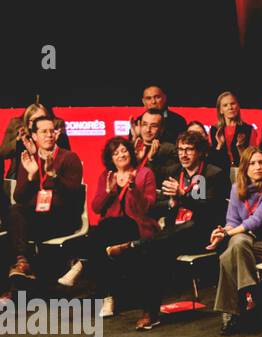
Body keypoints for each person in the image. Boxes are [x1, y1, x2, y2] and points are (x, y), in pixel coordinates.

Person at [133, 131, 230, 331]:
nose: (183, 154)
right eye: (180, 150)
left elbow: (210, 210)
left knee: (159, 241)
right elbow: (156, 202)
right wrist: (170, 203)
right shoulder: (175, 171)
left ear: (200, 152)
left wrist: (182, 196)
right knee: (152, 252)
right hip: (175, 233)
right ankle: (150, 312)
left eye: (189, 150)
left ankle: (135, 245)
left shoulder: (213, 174)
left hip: (204, 233)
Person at [56, 137, 159, 318]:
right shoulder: (107, 176)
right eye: (116, 153)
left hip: (137, 226)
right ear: (111, 158)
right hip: (111, 230)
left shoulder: (145, 173)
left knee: (105, 230)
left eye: (124, 151)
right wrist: (108, 192)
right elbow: (96, 207)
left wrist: (133, 188)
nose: (121, 155)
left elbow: (147, 208)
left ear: (131, 153)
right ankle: (108, 296)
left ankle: (82, 265)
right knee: (102, 237)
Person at [208, 147, 262, 335]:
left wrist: (227, 235)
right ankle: (254, 293)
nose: (258, 167)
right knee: (238, 244)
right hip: (248, 241)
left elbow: (256, 222)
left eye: (261, 162)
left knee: (229, 254)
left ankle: (231, 312)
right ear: (244, 167)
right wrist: (222, 231)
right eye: (252, 163)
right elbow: (232, 221)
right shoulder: (236, 188)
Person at [5, 115, 84, 282]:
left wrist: (54, 176)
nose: (49, 135)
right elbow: (19, 197)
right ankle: (23, 264)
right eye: (44, 131)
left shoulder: (69, 157)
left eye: (52, 131)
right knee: (14, 211)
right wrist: (31, 176)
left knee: (16, 234)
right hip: (36, 218)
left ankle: (27, 269)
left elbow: (73, 194)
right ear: (34, 136)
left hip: (62, 217)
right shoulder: (29, 159)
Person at [2, 103, 70, 179]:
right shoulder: (22, 138)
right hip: (20, 177)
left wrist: (53, 144)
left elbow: (67, 161)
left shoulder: (55, 137)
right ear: (28, 123)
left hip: (49, 177)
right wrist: (17, 141)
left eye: (42, 119)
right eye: (35, 120)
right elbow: (4, 153)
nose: (39, 123)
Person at [210, 91, 256, 169]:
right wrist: (219, 145)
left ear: (238, 106)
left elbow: (253, 158)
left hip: (242, 170)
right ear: (221, 110)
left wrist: (240, 148)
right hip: (220, 170)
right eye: (225, 105)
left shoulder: (248, 129)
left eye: (232, 104)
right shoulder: (214, 130)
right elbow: (212, 159)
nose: (230, 107)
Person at [133, 108, 180, 184]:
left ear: (162, 129)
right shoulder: (132, 147)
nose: (148, 130)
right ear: (140, 125)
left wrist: (151, 160)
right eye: (145, 124)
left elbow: (161, 180)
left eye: (153, 126)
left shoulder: (169, 150)